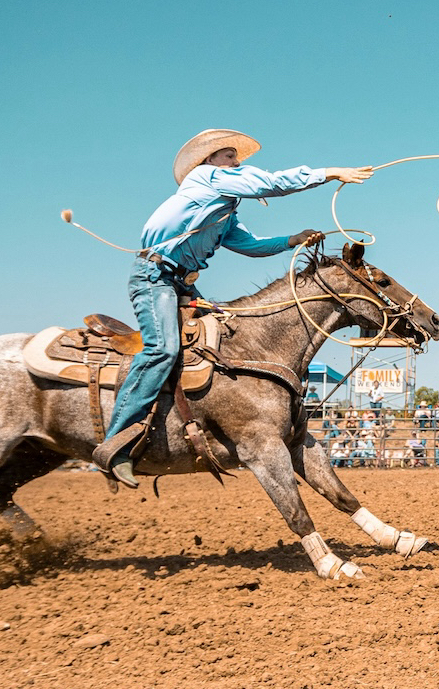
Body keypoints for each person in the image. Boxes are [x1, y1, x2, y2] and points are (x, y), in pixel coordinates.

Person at [93, 129, 373, 486]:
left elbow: (249, 244)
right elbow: (268, 182)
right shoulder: (207, 178)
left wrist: (292, 240)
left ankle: (190, 426)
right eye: (229, 156)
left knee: (222, 340)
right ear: (210, 160)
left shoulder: (222, 213)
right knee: (162, 349)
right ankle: (116, 444)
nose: (236, 162)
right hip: (155, 278)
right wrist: (329, 172)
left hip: (178, 283)